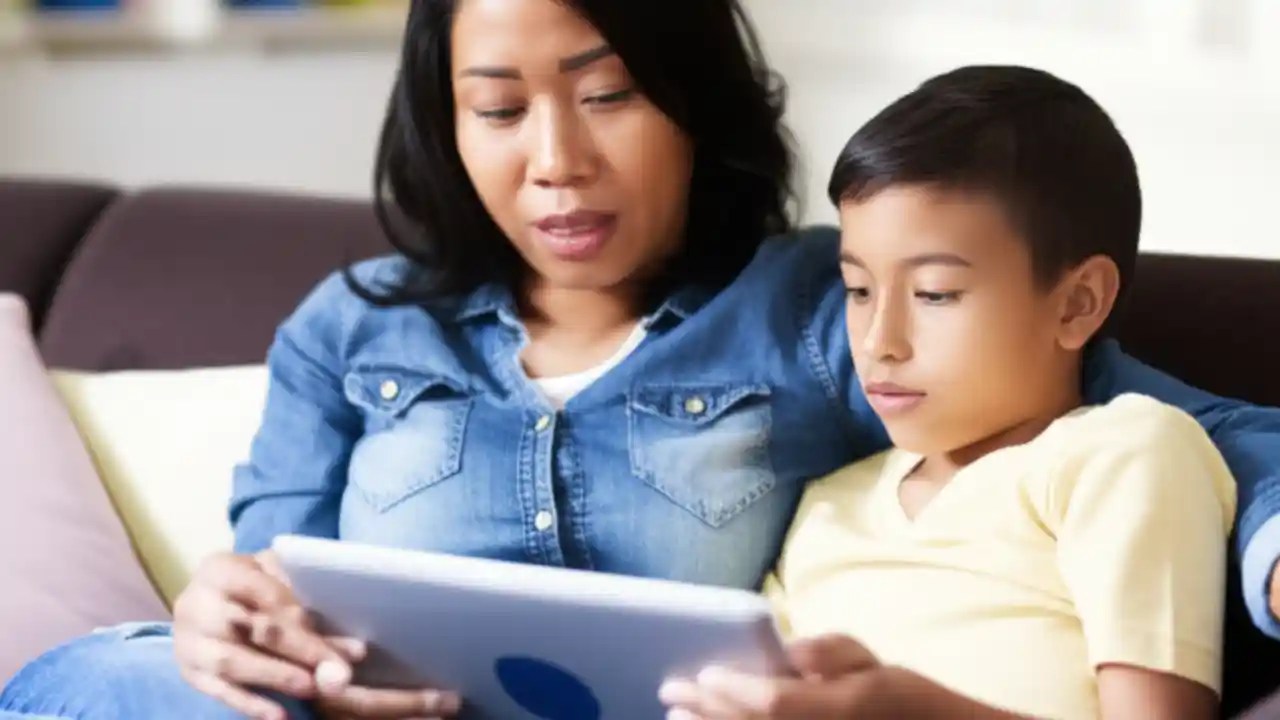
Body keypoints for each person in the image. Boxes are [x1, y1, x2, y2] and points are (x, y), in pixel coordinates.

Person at [1, 0, 1277, 718]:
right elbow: (274, 567)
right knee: (93, 683)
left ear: (690, 99)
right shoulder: (354, 325)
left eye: (606, 93)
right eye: (498, 108)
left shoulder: (814, 299)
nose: (554, 157)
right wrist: (225, 615)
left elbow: (1160, 422)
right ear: (447, 125)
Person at [658, 65, 1236, 720]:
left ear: (1076, 304)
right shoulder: (827, 505)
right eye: (858, 290)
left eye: (934, 293)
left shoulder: (1122, 454)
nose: (881, 340)